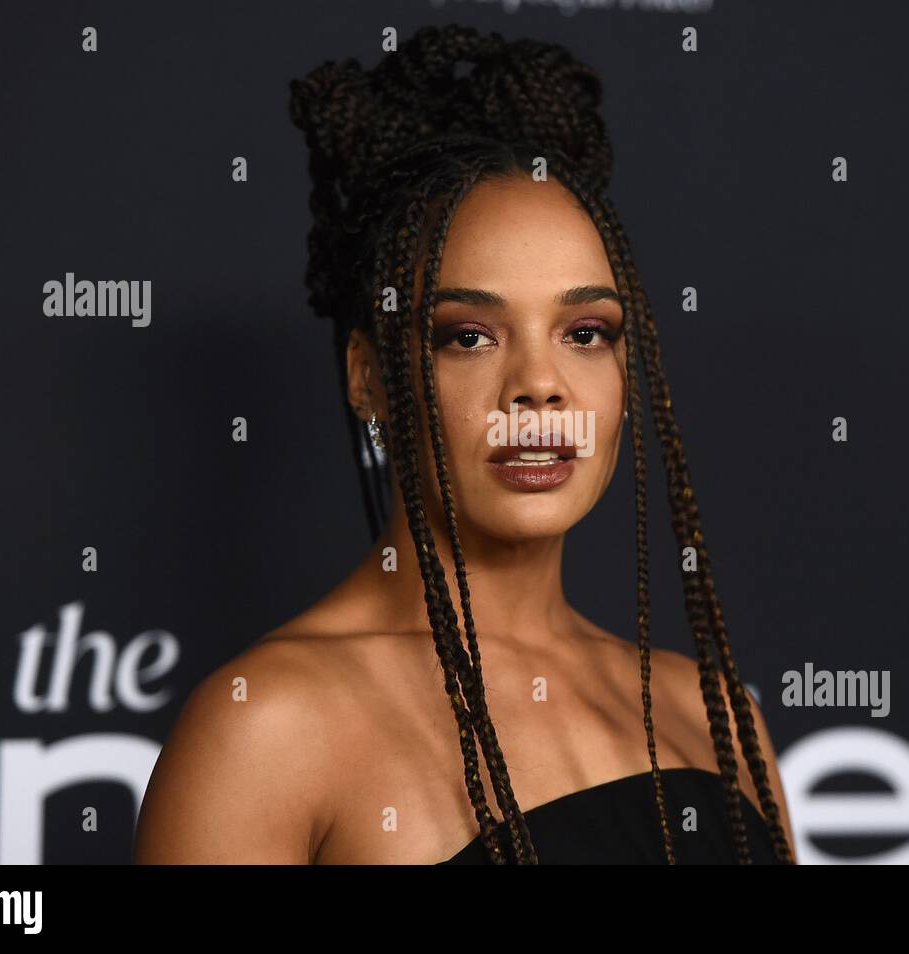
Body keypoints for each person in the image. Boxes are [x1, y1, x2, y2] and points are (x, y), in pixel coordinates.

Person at [133, 23, 796, 865]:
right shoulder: (265, 726)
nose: (540, 385)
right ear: (368, 375)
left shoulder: (713, 714)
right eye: (469, 335)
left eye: (586, 332)